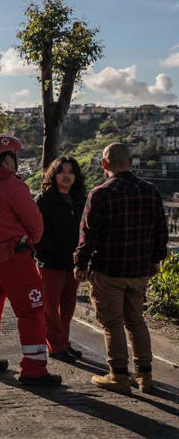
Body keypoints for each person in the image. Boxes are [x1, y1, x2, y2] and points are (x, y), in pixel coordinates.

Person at [0, 134, 61, 386]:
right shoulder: (14, 186)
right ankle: (34, 369)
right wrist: (27, 239)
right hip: (13, 257)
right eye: (15, 157)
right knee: (31, 310)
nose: (16, 162)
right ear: (7, 159)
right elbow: (35, 225)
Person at [74, 143, 169, 395]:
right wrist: (156, 260)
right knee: (136, 320)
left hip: (109, 271)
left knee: (112, 323)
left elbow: (88, 236)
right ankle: (145, 376)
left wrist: (80, 264)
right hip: (139, 271)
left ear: (105, 165)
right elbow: (162, 232)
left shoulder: (100, 193)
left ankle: (118, 374)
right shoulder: (151, 191)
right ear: (131, 162)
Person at [34, 157, 86, 362]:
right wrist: (47, 250)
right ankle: (55, 346)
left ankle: (64, 342)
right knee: (50, 308)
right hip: (50, 263)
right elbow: (36, 231)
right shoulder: (44, 200)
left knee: (68, 306)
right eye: (61, 171)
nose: (66, 176)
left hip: (72, 263)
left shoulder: (80, 199)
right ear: (53, 175)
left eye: (71, 172)